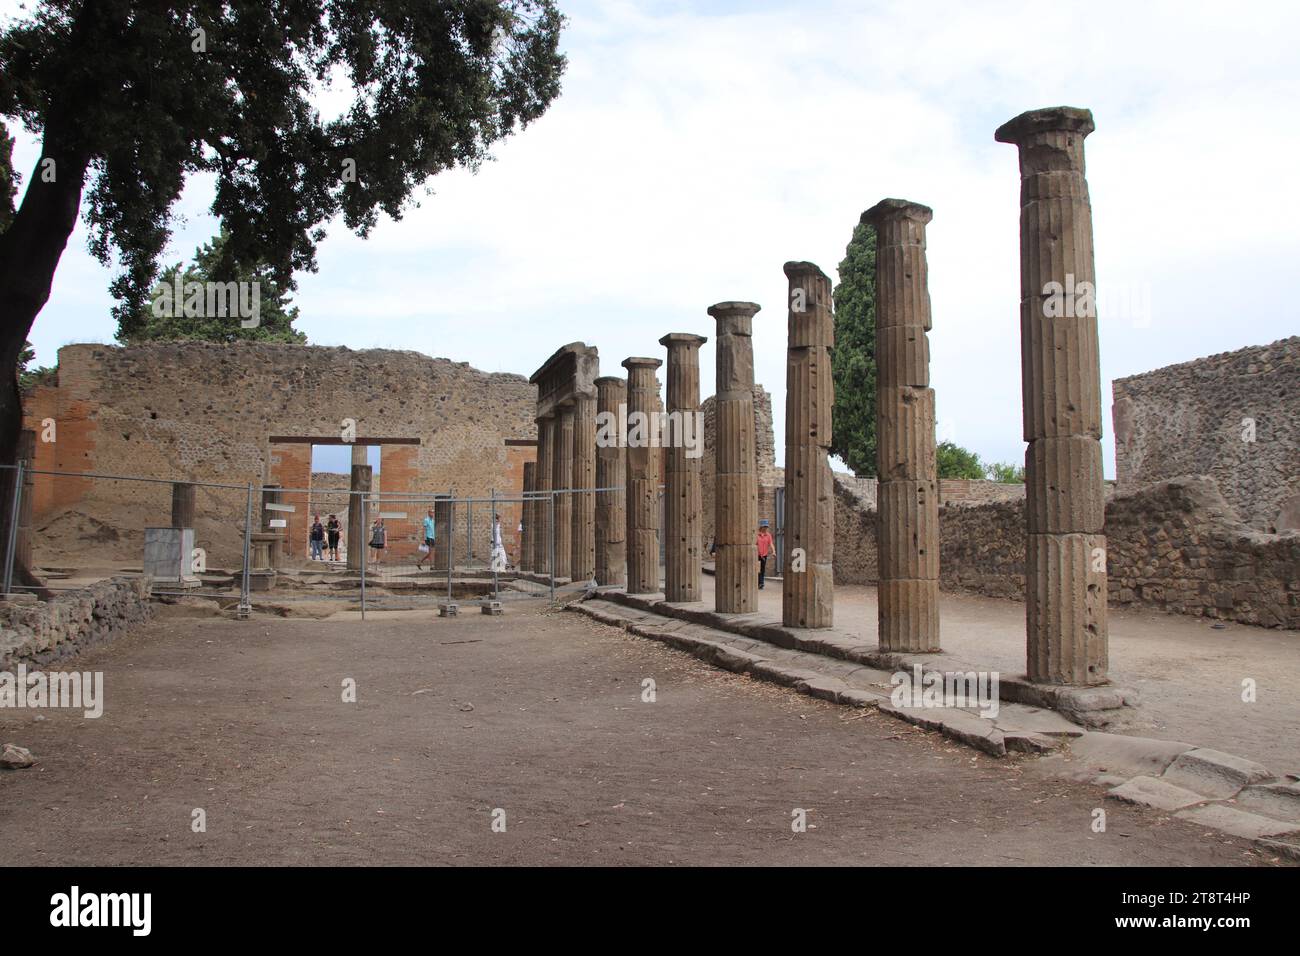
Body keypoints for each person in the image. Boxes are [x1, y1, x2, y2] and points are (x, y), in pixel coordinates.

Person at [756, 520, 774, 590]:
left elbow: (771, 544)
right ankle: (758, 582)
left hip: (764, 555)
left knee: (762, 569)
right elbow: (755, 544)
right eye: (764, 526)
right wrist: (758, 553)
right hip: (757, 555)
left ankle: (761, 583)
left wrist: (774, 551)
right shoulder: (757, 535)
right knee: (757, 570)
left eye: (766, 527)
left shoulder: (768, 535)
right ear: (761, 526)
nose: (765, 528)